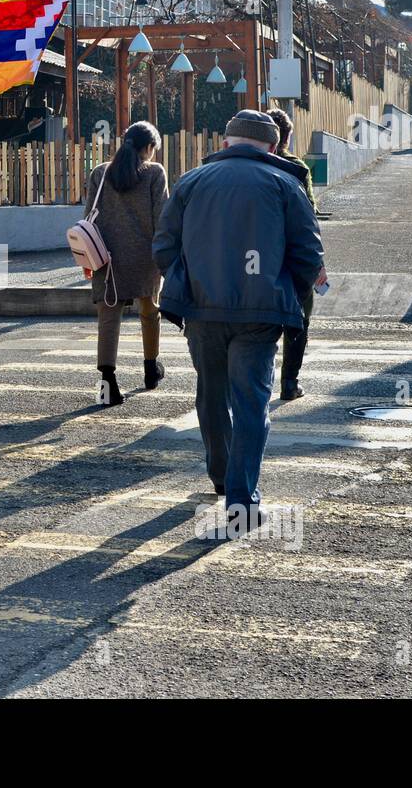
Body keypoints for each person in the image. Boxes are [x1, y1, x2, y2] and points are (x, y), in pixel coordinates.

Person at [153, 110, 323, 533]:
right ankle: (242, 500)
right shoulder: (286, 184)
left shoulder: (191, 182)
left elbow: (163, 245)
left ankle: (220, 473)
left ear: (226, 143)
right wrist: (286, 289)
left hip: (202, 310)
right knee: (251, 403)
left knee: (211, 394)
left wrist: (189, 279)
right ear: (271, 146)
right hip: (260, 313)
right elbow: (308, 254)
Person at [83, 121, 169, 406]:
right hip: (144, 257)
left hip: (106, 257)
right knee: (149, 311)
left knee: (108, 319)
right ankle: (150, 369)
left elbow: (89, 215)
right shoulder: (154, 173)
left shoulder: (100, 172)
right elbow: (162, 219)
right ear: (148, 148)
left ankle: (108, 383)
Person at [266, 108, 327, 400]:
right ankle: (290, 382)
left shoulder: (251, 164)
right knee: (300, 317)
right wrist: (319, 262)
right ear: (287, 137)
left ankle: (260, 377)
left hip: (260, 252)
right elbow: (310, 218)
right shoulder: (297, 168)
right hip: (294, 254)